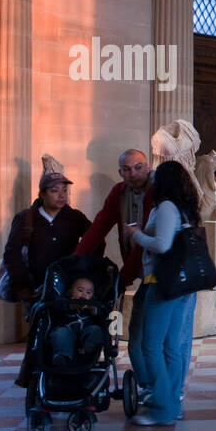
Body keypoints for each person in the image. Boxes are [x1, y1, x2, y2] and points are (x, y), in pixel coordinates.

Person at [124, 161, 201, 425]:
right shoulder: (185, 207)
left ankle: (163, 408)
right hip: (181, 283)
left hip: (162, 282)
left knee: (152, 345)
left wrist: (136, 235)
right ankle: (171, 402)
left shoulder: (167, 207)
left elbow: (162, 244)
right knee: (170, 345)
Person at [75, 149, 156, 390]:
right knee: (143, 339)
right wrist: (75, 262)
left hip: (157, 272)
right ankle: (153, 388)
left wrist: (123, 278)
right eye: (127, 169)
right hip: (143, 271)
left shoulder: (157, 192)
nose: (133, 173)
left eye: (138, 167)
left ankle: (160, 391)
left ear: (148, 167)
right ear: (120, 172)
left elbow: (145, 244)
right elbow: (99, 227)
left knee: (145, 340)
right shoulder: (118, 193)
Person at [3, 171, 92, 300]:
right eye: (54, 191)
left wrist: (84, 268)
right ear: (42, 194)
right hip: (36, 289)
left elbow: (95, 241)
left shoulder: (75, 217)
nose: (61, 195)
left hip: (68, 288)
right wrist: (22, 284)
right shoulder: (26, 218)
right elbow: (12, 254)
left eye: (64, 190)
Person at [49, 276, 107, 366]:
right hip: (67, 333)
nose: (84, 294)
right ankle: (63, 358)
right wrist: (71, 306)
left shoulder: (93, 305)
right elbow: (55, 310)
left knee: (96, 330)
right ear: (70, 292)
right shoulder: (63, 302)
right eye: (80, 290)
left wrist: (94, 311)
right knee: (60, 332)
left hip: (85, 334)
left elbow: (103, 318)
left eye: (88, 292)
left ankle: (87, 351)